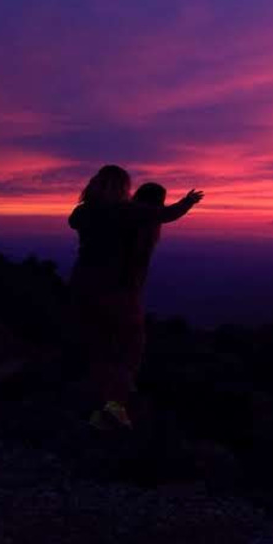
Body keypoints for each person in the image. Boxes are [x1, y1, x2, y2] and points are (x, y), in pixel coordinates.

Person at [69, 165, 203, 430]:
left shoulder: (83, 212)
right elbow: (165, 214)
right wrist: (188, 202)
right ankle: (113, 410)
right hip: (117, 291)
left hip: (83, 286)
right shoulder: (125, 211)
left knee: (99, 346)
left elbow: (74, 222)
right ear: (122, 187)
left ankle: (97, 404)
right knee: (129, 346)